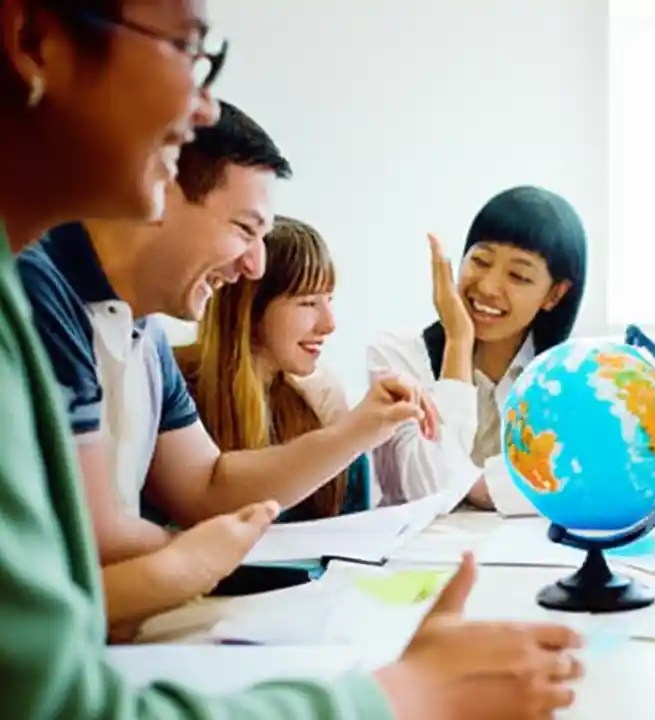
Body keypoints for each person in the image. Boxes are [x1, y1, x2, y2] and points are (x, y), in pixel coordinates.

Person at [0, 1, 579, 717]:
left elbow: (208, 482)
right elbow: (82, 597)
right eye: (187, 48)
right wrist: (400, 695)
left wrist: (354, 433)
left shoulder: (139, 326)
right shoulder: (38, 290)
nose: (200, 103)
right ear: (30, 38)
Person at [369, 185, 588, 513]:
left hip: (525, 556)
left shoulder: (566, 377)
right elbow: (429, 488)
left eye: (518, 275)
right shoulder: (397, 357)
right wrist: (458, 340)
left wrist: (473, 485)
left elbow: (578, 486)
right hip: (418, 557)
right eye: (481, 261)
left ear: (554, 295)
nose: (487, 286)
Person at [176, 216, 374, 522]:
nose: (329, 324)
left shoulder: (315, 404)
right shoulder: (175, 397)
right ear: (249, 309)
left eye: (329, 300)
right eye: (307, 303)